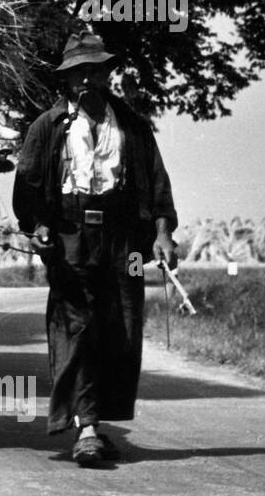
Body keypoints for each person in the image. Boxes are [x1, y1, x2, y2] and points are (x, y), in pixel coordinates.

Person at [12, 32, 178, 467]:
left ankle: (100, 419)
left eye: (96, 70)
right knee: (77, 326)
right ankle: (86, 428)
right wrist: (39, 225)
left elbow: (158, 186)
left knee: (120, 327)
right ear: (66, 81)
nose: (88, 79)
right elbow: (27, 188)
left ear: (107, 76)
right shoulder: (47, 128)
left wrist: (163, 234)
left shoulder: (134, 127)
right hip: (70, 236)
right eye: (78, 73)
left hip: (126, 240)